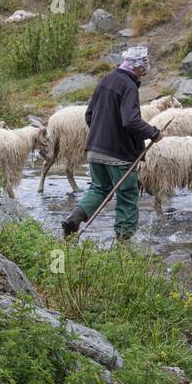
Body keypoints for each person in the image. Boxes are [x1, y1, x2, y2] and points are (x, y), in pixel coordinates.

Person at [61, 45, 160, 242]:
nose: (143, 75)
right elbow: (130, 120)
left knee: (99, 188)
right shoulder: (129, 86)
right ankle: (124, 241)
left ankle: (74, 218)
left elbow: (89, 116)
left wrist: (102, 134)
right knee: (127, 195)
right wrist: (153, 132)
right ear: (138, 68)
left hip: (95, 150)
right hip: (119, 154)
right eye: (143, 71)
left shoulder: (105, 80)